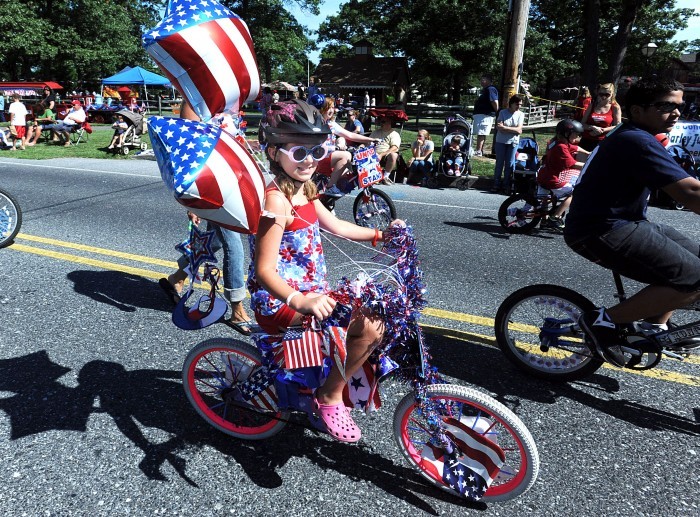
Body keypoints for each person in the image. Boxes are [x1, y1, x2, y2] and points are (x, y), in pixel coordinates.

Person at [250, 99, 402, 443]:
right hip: (281, 300)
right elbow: (263, 269)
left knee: (378, 318)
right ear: (273, 152)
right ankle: (329, 396)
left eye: (315, 152)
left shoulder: (303, 188)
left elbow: (336, 225)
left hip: (312, 291)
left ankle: (324, 384)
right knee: (367, 327)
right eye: (298, 153)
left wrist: (382, 235)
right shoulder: (275, 200)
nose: (308, 162)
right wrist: (299, 301)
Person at [563, 78, 700, 367]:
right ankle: (602, 323)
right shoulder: (635, 140)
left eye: (680, 106)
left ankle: (653, 325)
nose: (676, 113)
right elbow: (689, 193)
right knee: (693, 279)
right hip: (601, 229)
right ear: (637, 110)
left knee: (690, 264)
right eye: (666, 106)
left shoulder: (639, 135)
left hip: (627, 221)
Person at [159, 100, 252, 335]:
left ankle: (176, 278)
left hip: (232, 183)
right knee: (234, 246)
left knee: (214, 242)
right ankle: (237, 307)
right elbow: (188, 158)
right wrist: (193, 203)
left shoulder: (228, 100)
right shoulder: (195, 103)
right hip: (212, 188)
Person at [313, 96, 377, 195]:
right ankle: (330, 187)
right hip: (318, 158)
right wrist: (334, 147)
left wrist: (371, 139)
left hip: (328, 157)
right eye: (329, 107)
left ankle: (329, 197)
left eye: (333, 107)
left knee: (347, 171)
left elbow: (350, 135)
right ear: (322, 108)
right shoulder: (316, 123)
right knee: (346, 155)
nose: (332, 110)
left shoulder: (331, 124)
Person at [536, 119, 589, 229]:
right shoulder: (561, 147)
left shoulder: (556, 142)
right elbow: (573, 164)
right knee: (573, 193)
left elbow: (575, 148)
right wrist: (590, 165)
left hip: (544, 174)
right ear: (566, 134)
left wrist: (589, 153)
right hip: (551, 179)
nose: (577, 138)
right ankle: (554, 217)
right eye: (575, 135)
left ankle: (544, 220)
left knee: (546, 198)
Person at [492, 95, 525, 193]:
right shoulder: (502, 112)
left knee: (510, 164)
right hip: (500, 141)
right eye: (517, 104)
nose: (518, 106)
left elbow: (519, 130)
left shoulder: (520, 114)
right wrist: (512, 130)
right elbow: (498, 127)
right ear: (511, 103)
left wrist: (505, 128)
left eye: (520, 105)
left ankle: (507, 183)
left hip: (513, 142)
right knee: (499, 163)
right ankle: (496, 183)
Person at [579, 83, 622, 151]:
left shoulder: (615, 107)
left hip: (603, 142)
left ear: (612, 94)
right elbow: (582, 124)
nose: (603, 97)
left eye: (607, 95)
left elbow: (618, 126)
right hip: (586, 140)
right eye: (601, 94)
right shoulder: (592, 105)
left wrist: (603, 130)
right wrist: (592, 127)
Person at [472, 74, 499, 156]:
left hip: (485, 115)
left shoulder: (491, 89)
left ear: (489, 81)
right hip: (482, 115)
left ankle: (479, 151)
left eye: (483, 79)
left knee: (481, 133)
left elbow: (494, 101)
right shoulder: (486, 90)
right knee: (480, 133)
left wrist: (498, 112)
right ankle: (479, 150)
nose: (481, 81)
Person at [370, 115, 402, 183]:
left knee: (393, 155)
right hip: (373, 152)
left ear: (389, 123)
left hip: (385, 154)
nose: (381, 123)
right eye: (381, 121)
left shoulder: (394, 134)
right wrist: (362, 146)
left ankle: (385, 177)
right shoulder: (375, 132)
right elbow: (368, 142)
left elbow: (395, 148)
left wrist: (381, 155)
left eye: (383, 122)